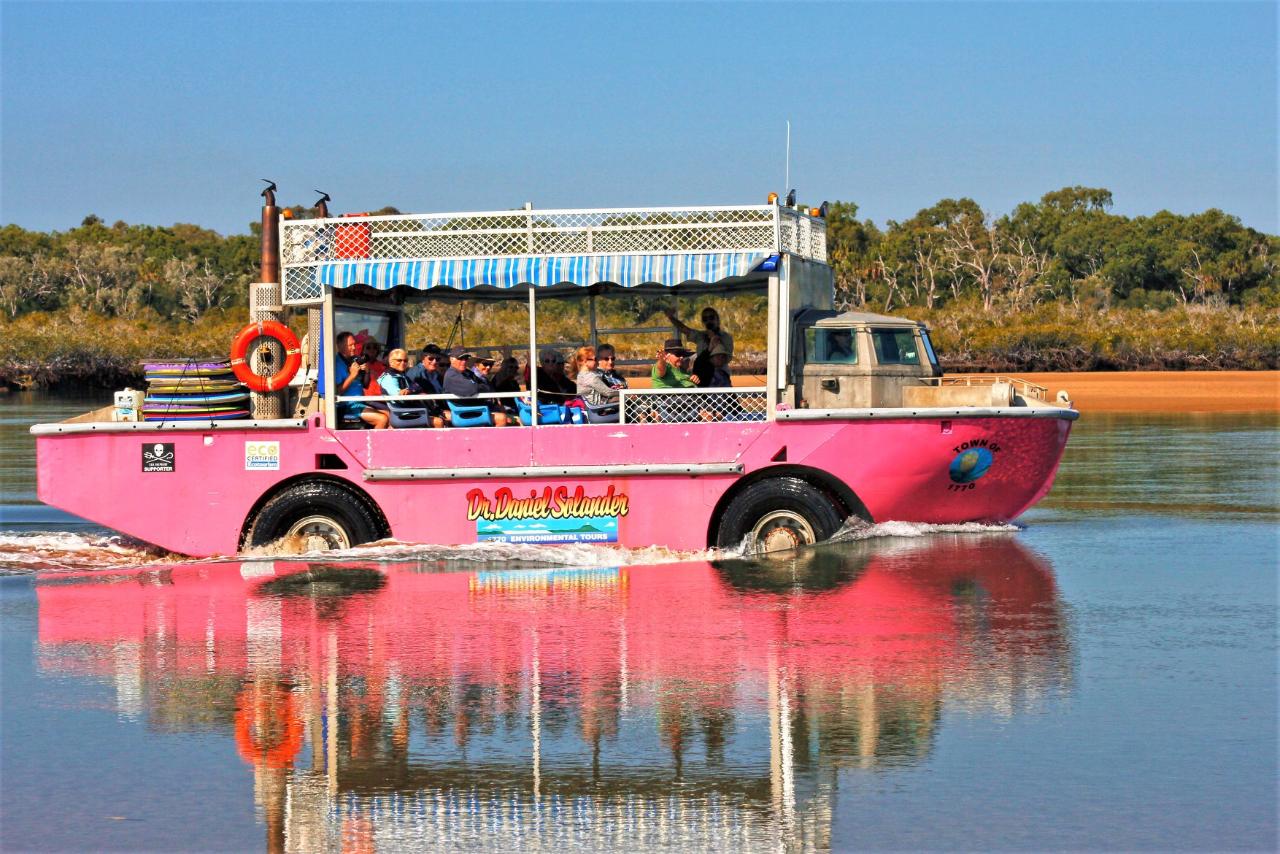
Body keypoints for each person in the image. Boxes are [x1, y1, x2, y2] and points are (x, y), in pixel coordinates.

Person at [664, 305, 733, 387]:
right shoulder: (700, 336)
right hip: (702, 376)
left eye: (711, 317)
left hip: (721, 376)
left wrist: (713, 336)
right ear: (703, 322)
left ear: (717, 319)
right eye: (705, 319)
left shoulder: (726, 337)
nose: (708, 321)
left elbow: (724, 358)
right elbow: (684, 329)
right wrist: (671, 317)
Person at [333, 331, 389, 429]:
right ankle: (372, 444)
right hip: (348, 406)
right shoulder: (336, 363)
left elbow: (365, 385)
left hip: (360, 403)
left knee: (390, 416)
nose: (354, 348)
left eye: (354, 344)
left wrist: (367, 372)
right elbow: (336, 392)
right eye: (350, 345)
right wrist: (352, 376)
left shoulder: (356, 359)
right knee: (382, 419)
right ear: (340, 345)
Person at [444, 347, 509, 426]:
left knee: (508, 415)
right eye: (460, 358)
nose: (464, 361)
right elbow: (471, 389)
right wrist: (478, 386)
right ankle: (492, 438)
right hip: (465, 412)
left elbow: (486, 387)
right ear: (452, 359)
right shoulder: (452, 375)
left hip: (475, 408)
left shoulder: (466, 372)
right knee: (502, 418)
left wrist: (477, 386)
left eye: (466, 358)